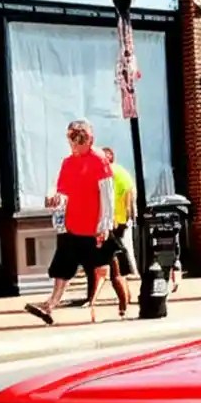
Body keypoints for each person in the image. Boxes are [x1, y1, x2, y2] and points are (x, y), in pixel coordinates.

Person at [24, 119, 114, 325]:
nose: (75, 145)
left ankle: (110, 306)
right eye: (72, 140)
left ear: (89, 139)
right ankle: (50, 305)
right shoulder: (68, 162)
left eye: (79, 140)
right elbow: (63, 191)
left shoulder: (99, 160)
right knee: (63, 265)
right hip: (74, 224)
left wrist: (105, 224)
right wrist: (54, 198)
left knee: (106, 268)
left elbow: (106, 195)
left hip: (95, 225)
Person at [81, 146, 136, 318]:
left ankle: (121, 305)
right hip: (117, 223)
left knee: (111, 268)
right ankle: (123, 301)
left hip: (106, 225)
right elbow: (129, 199)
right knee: (112, 266)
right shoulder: (123, 173)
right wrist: (127, 218)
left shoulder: (103, 174)